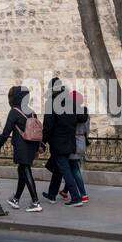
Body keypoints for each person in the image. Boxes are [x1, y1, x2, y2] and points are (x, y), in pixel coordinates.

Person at [41, 78, 87, 207]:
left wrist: (43, 142)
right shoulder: (71, 102)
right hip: (70, 142)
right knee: (58, 169)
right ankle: (52, 194)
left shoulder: (51, 103)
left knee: (65, 170)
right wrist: (85, 110)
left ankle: (76, 197)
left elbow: (48, 126)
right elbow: (82, 117)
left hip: (58, 143)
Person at [0, 86, 42, 211]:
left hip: (22, 146)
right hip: (32, 146)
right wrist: (38, 148)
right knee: (22, 170)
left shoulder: (14, 112)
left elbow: (6, 132)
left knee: (25, 170)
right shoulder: (31, 112)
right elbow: (36, 131)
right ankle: (16, 199)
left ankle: (36, 202)